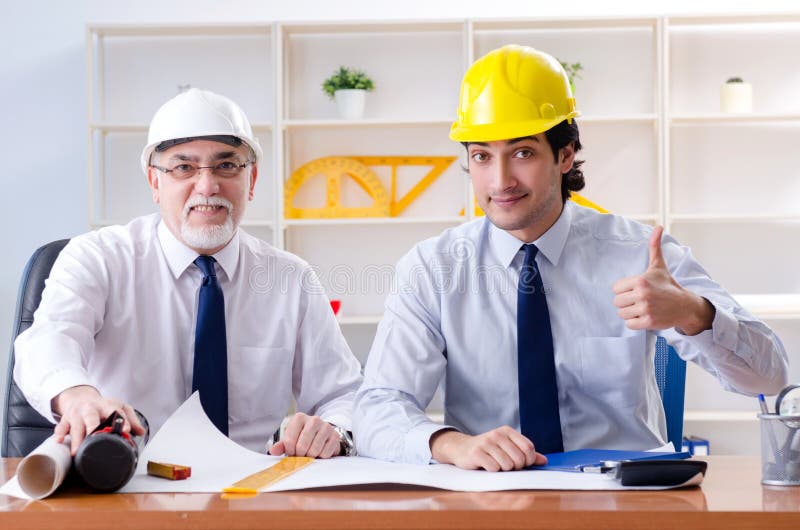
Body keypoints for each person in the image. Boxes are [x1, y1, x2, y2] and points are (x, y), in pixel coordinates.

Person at [353, 45, 789, 471]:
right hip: (491, 497)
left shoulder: (641, 253)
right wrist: (451, 444)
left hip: (622, 499)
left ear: (565, 155)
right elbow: (377, 410)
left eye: (522, 152)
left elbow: (769, 377)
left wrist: (693, 313)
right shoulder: (433, 269)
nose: (500, 180)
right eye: (482, 156)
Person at [15, 88, 362, 458]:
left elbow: (344, 394)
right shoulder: (99, 258)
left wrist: (332, 430)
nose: (208, 186)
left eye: (227, 166)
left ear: (253, 179)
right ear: (155, 182)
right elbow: (48, 342)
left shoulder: (291, 278)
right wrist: (78, 397)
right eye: (183, 168)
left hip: (253, 490)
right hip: (128, 482)